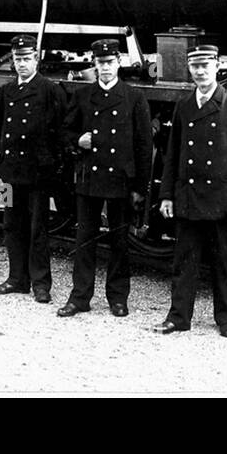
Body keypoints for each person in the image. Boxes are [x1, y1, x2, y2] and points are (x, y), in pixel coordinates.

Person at [156, 44, 227, 337]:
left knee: (223, 262)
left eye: (206, 66)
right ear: (190, 69)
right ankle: (178, 318)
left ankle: (226, 319)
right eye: (195, 67)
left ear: (217, 67)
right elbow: (172, 154)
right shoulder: (184, 105)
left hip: (221, 199)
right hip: (188, 195)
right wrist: (166, 194)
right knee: (183, 260)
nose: (200, 72)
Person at [58, 38, 151, 318]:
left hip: (121, 181)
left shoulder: (134, 98)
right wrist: (78, 142)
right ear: (94, 65)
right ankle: (80, 297)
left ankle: (118, 297)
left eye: (110, 62)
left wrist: (139, 187)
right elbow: (64, 133)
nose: (105, 68)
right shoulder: (84, 96)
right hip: (89, 179)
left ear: (119, 63)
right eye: (100, 63)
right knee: (84, 239)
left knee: (119, 242)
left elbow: (143, 146)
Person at [0, 34, 68, 304]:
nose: (21, 63)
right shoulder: (7, 91)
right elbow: (0, 129)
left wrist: (52, 166)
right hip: (8, 174)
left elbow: (60, 131)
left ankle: (40, 283)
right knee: (11, 225)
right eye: (17, 59)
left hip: (37, 173)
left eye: (26, 58)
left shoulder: (50, 90)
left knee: (37, 229)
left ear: (36, 59)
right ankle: (16, 278)